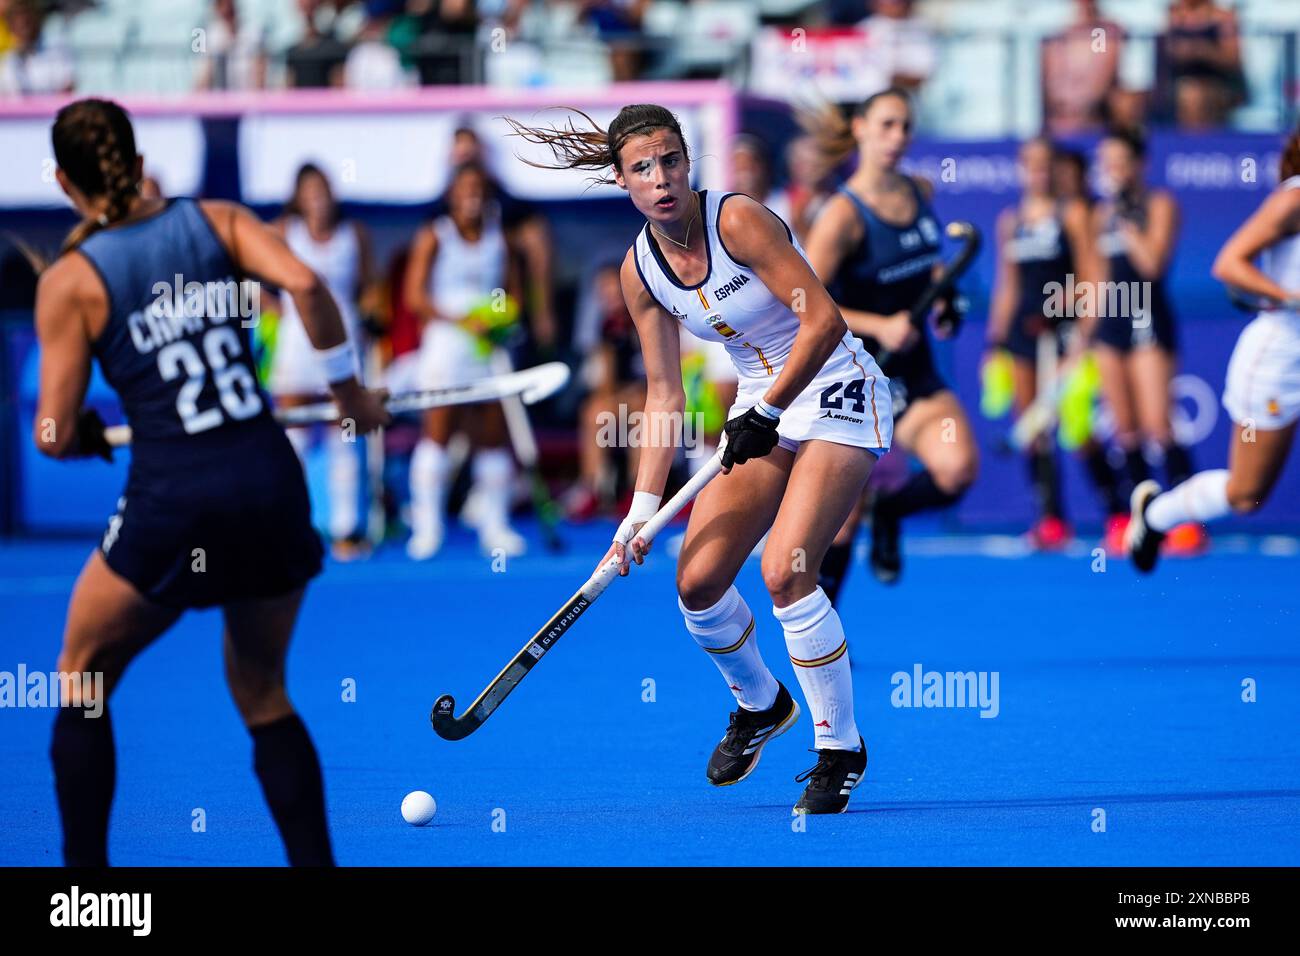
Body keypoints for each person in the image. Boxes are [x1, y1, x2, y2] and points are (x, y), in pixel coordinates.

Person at [32, 98, 389, 866]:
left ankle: (88, 897)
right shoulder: (217, 220)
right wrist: (350, 397)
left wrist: (86, 432)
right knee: (262, 689)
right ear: (134, 156)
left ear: (64, 181)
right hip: (267, 480)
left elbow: (54, 436)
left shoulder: (70, 280)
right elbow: (308, 286)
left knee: (81, 675)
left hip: (175, 498)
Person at [506, 104, 892, 813]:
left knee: (786, 571)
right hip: (761, 402)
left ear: (689, 163)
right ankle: (760, 704)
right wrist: (640, 512)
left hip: (834, 385)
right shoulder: (638, 273)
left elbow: (824, 319)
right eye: (643, 169)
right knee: (699, 581)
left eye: (671, 161)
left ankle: (840, 749)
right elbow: (661, 395)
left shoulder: (738, 221)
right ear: (622, 182)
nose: (661, 179)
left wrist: (770, 410)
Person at [801, 89, 977, 598]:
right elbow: (804, 304)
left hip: (911, 372)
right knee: (839, 520)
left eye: (905, 126)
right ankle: (821, 644)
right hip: (854, 376)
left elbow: (928, 266)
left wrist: (944, 301)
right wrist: (879, 325)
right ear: (859, 129)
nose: (898, 137)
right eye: (886, 125)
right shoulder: (841, 216)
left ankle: (890, 511)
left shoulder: (921, 191)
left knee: (957, 468)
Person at [1128, 129, 1300, 571]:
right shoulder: (1291, 201)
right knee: (1247, 494)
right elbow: (1228, 263)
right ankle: (1155, 515)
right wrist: (1292, 296)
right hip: (1281, 360)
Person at [986, 137, 1121, 547]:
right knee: (1033, 427)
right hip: (1023, 336)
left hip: (1064, 335)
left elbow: (1094, 278)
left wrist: (1082, 330)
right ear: (1021, 169)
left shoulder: (1073, 213)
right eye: (1031, 164)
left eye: (1046, 164)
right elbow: (1007, 285)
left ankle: (1117, 512)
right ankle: (1050, 519)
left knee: (1079, 429)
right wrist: (996, 342)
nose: (1039, 172)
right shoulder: (1011, 220)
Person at [404, 161, 527, 559]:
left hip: (487, 347)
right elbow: (414, 296)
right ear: (452, 195)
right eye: (464, 189)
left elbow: (514, 292)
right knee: (438, 434)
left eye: (478, 188)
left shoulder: (499, 237)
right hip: (445, 347)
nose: (472, 196)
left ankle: (495, 527)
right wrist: (461, 321)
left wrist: (500, 318)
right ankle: (427, 528)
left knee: (492, 437)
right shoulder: (433, 237)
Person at [1090, 126, 1203, 555]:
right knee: (1125, 429)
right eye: (1107, 164)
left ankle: (1185, 518)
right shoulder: (1099, 214)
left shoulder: (1160, 205)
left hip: (1148, 317)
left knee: (1158, 424)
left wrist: (1124, 217)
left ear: (1139, 165)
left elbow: (1152, 263)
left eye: (1120, 162)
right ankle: (1137, 517)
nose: (1113, 172)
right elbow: (1098, 277)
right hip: (1111, 321)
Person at [271, 163, 377, 560]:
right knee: (292, 437)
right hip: (296, 346)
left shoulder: (355, 235)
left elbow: (370, 287)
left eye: (324, 188)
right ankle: (287, 528)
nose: (318, 197)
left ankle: (347, 530)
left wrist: (370, 315)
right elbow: (248, 277)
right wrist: (271, 308)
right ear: (298, 197)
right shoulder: (283, 232)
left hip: (342, 346)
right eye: (309, 190)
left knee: (345, 434)